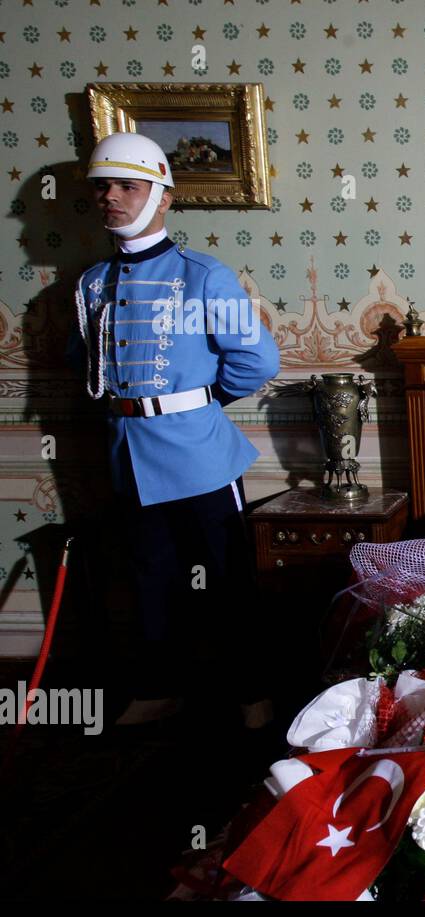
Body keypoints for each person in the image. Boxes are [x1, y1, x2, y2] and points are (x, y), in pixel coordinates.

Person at [68, 132, 281, 730]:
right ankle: (159, 687)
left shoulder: (203, 274)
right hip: (127, 456)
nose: (111, 197)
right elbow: (82, 361)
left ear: (162, 197)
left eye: (127, 186)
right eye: (102, 187)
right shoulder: (90, 284)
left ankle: (250, 691)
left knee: (228, 581)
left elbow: (258, 360)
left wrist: (204, 399)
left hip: (197, 456)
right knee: (148, 580)